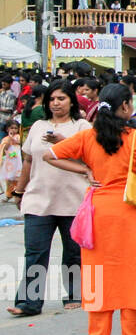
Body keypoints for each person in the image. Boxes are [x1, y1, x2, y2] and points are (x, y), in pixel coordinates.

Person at [44, 84, 136, 335]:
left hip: (98, 212)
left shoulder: (88, 136)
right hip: (131, 214)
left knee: (98, 274)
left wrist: (85, 171)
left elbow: (50, 155)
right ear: (127, 106)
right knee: (134, 271)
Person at [8, 81, 92, 317]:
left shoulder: (82, 126)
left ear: (71, 102)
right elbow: (28, 161)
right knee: (35, 252)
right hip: (38, 199)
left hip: (74, 200)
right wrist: (19, 191)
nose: (56, 103)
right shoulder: (37, 126)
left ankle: (75, 295)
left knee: (74, 253)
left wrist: (62, 143)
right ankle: (28, 303)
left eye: (61, 99)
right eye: (52, 99)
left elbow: (91, 161)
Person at [0, 120, 22, 200]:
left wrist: (16, 140)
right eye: (11, 128)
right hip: (10, 161)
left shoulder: (19, 137)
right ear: (7, 129)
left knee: (18, 177)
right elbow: (4, 148)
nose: (13, 130)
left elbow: (21, 143)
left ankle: (18, 193)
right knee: (9, 178)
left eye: (15, 128)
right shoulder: (6, 138)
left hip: (18, 160)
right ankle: (8, 194)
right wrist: (10, 139)